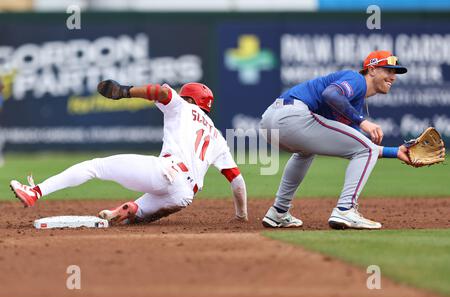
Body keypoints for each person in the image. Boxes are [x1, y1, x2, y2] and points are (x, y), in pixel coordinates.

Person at [10, 80, 248, 224]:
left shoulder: (182, 106)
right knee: (138, 214)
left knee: (96, 166)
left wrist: (125, 91)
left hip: (167, 171)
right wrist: (241, 216)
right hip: (184, 195)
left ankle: (35, 192)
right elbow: (236, 180)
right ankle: (129, 210)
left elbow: (163, 92)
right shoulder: (217, 137)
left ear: (188, 97)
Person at [259, 50, 412, 230]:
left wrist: (397, 152)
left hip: (270, 120)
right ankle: (345, 209)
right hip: (292, 116)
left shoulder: (351, 105)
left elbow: (359, 148)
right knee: (366, 149)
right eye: (388, 70)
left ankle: (278, 211)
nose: (393, 77)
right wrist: (362, 122)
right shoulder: (356, 79)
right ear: (371, 70)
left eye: (395, 72)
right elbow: (331, 94)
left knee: (307, 152)